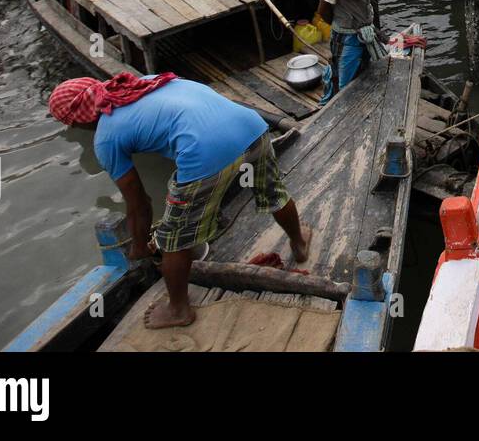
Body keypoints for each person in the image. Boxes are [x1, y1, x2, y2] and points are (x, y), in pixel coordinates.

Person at [48, 72, 310, 330]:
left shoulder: (106, 138)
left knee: (174, 236)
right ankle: (298, 243)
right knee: (273, 192)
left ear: (77, 119)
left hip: (208, 152)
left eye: (70, 123)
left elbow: (139, 204)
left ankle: (178, 309)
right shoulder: (140, 83)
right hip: (252, 128)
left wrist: (139, 247)